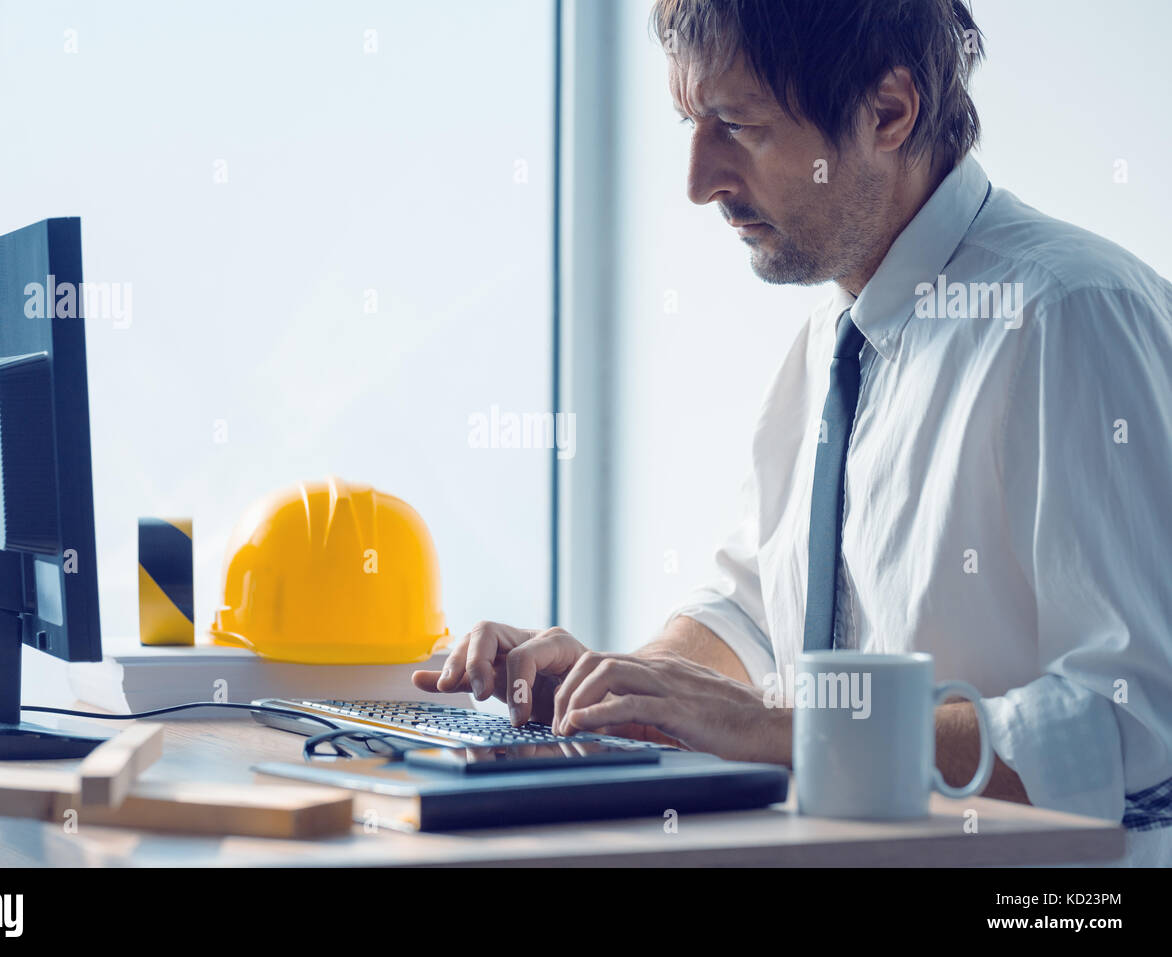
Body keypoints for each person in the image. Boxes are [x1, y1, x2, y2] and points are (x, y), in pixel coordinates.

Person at [413, 0, 1172, 864]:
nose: (698, 180)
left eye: (736, 124)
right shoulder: (829, 344)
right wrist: (619, 685)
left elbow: (1132, 729)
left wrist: (776, 727)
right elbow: (752, 615)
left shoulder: (1072, 316)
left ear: (890, 111)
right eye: (693, 123)